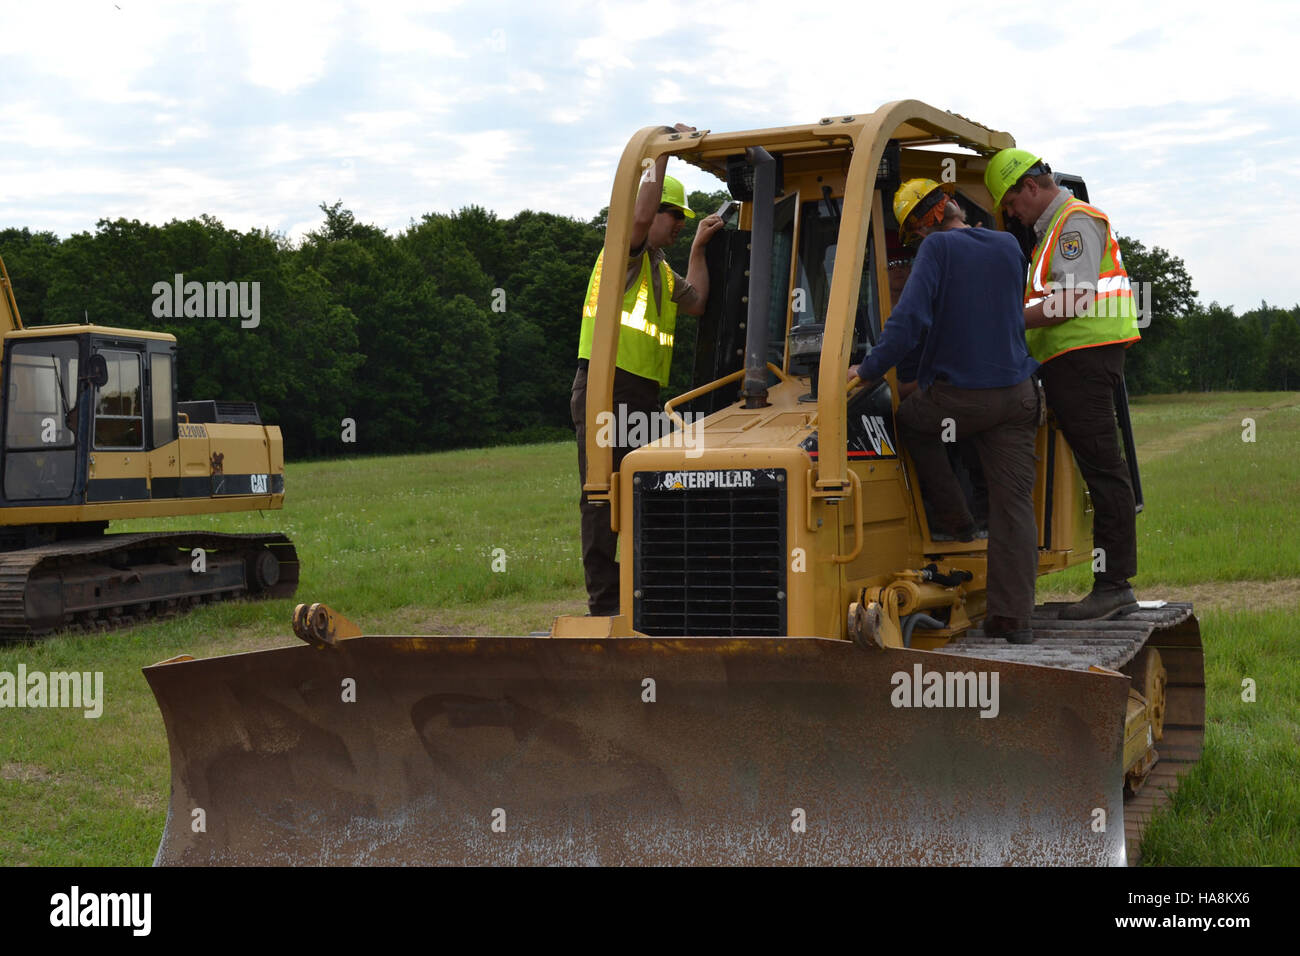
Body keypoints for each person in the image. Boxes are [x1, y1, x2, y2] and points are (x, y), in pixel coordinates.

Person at [850, 178, 1040, 644]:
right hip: (1017, 396)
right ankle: (1013, 620)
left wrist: (869, 369)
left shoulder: (936, 251)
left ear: (922, 226)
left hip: (962, 398)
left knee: (910, 422)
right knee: (1013, 505)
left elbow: (908, 320)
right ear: (951, 203)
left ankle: (955, 524)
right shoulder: (1008, 246)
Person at [572, 130, 725, 616]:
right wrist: (658, 155)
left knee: (652, 489)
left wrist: (699, 248)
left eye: (683, 218)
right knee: (602, 497)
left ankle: (647, 591)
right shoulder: (626, 255)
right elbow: (637, 215)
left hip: (642, 399)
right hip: (604, 388)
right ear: (652, 210)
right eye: (673, 215)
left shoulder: (660, 269)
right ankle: (604, 605)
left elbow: (698, 302)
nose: (678, 223)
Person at [985, 149, 1141, 621]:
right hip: (1074, 359)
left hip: (1083, 359)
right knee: (1101, 467)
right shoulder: (1052, 230)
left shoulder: (1074, 222)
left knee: (1103, 469)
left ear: (1031, 187)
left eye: (1011, 203)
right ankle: (1113, 583)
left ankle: (1114, 586)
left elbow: (1072, 300)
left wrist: (1005, 323)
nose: (1011, 213)